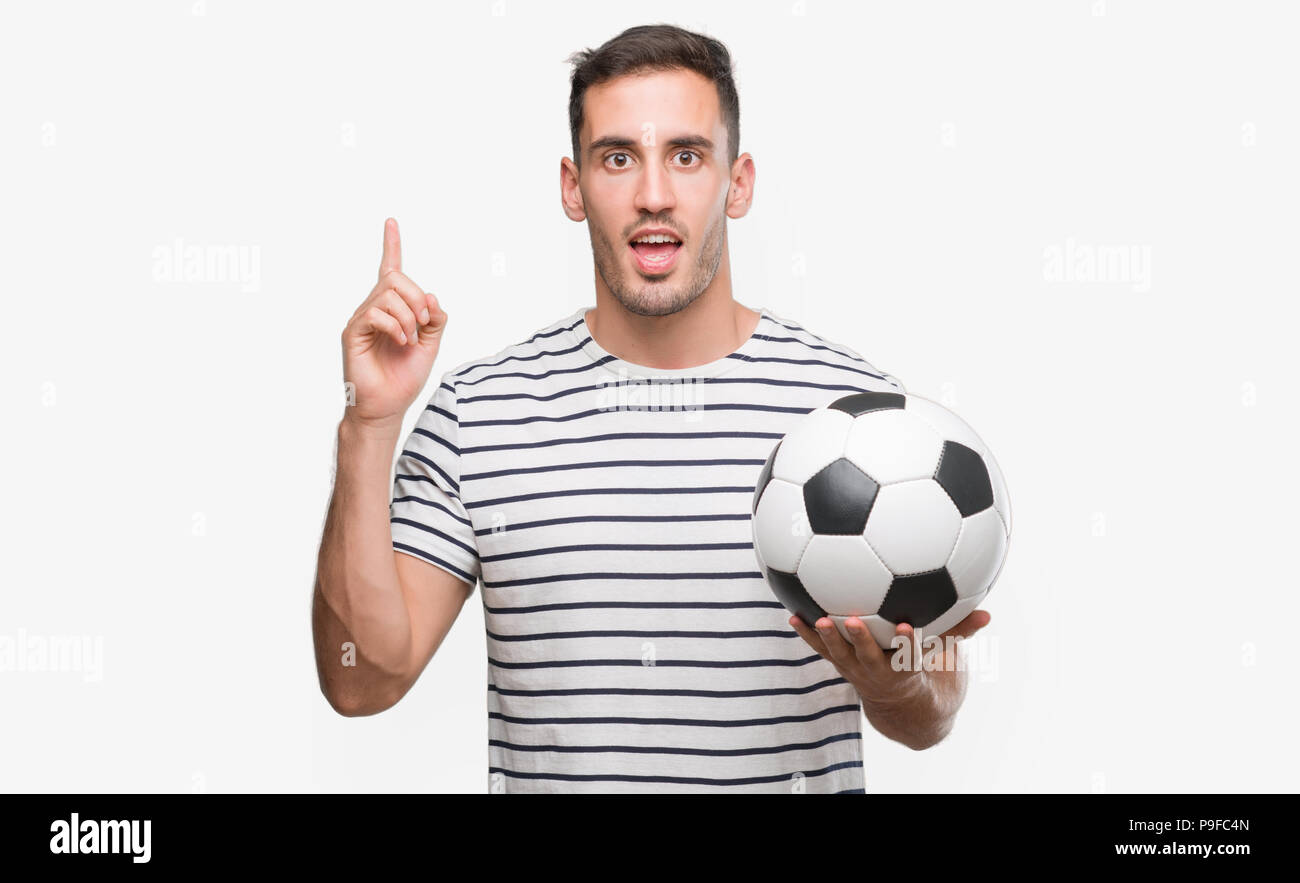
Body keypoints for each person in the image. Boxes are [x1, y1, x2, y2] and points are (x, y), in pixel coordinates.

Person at [312, 23, 989, 793]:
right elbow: (360, 682)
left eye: (687, 155)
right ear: (574, 187)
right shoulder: (480, 412)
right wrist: (367, 427)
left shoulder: (859, 420)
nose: (654, 195)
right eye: (618, 158)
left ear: (739, 183)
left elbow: (929, 712)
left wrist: (896, 681)